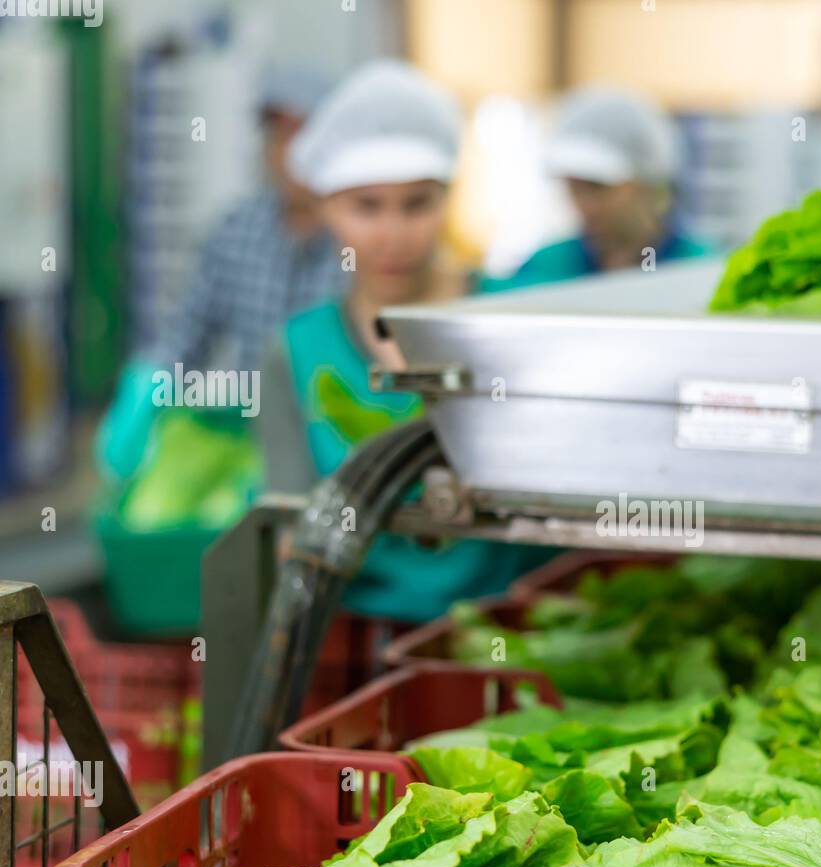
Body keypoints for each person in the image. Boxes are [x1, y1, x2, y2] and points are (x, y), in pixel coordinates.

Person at [258, 60, 550, 623]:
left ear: (448, 199)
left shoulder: (511, 323)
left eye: (417, 203)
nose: (393, 233)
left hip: (509, 627)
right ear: (324, 208)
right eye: (366, 206)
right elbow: (289, 525)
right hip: (361, 634)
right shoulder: (296, 350)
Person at [98, 65, 342, 482]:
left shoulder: (361, 241)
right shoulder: (235, 233)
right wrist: (148, 387)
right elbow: (186, 335)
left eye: (305, 132)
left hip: (343, 451)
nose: (291, 151)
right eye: (279, 134)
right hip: (258, 449)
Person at [487, 87, 710, 291]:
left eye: (597, 188)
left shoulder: (699, 271)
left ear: (648, 185)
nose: (584, 206)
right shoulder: (548, 268)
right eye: (573, 188)